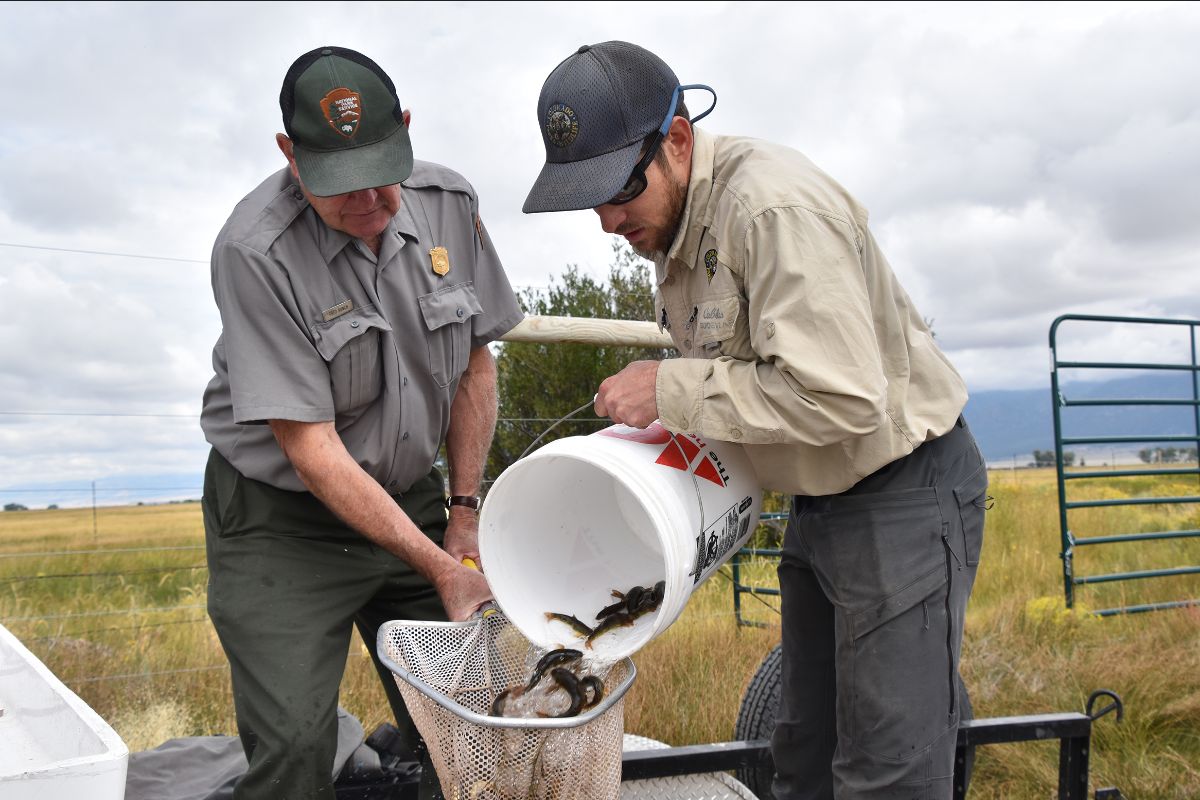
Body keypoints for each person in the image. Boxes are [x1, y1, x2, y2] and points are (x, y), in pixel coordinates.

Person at [523, 41, 987, 800]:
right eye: (590, 199)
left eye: (620, 189)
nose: (608, 219)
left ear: (677, 140)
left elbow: (843, 397)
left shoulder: (769, 210)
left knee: (888, 771)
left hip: (899, 490)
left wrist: (670, 388)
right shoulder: (677, 224)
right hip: (820, 496)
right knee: (804, 753)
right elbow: (752, 380)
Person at [200, 45, 523, 800]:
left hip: (413, 496)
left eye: (381, 172)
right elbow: (311, 450)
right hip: (285, 519)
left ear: (404, 129)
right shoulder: (254, 251)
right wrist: (441, 570)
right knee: (294, 746)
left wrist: (464, 515)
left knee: (476, 719)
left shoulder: (450, 203)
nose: (369, 201)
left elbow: (474, 364)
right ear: (290, 155)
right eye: (339, 184)